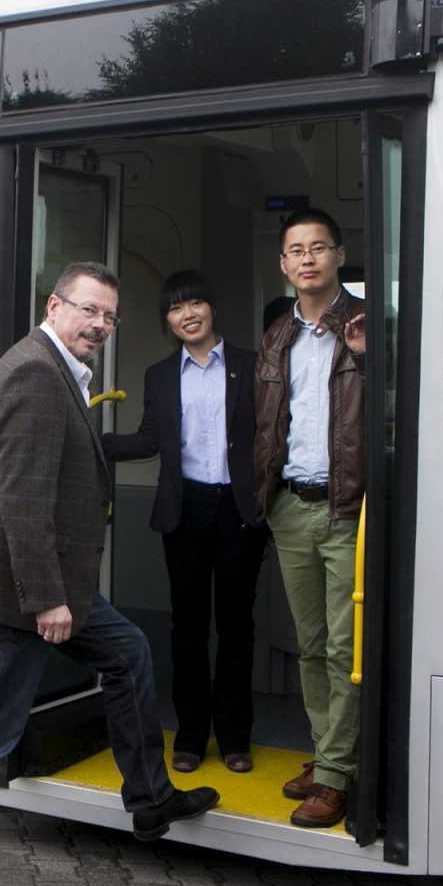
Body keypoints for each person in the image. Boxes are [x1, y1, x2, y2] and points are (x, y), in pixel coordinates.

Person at [0, 262, 218, 886]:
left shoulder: (57, 367)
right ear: (55, 305)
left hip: (57, 582)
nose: (99, 324)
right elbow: (22, 502)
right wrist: (46, 600)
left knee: (128, 653)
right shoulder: (35, 373)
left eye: (110, 315)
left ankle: (148, 798)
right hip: (23, 592)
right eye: (88, 309)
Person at [104, 270, 266, 776]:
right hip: (185, 510)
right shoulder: (159, 375)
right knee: (188, 627)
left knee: (236, 626)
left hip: (240, 511)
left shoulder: (251, 365)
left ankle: (236, 736)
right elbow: (150, 439)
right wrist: (92, 440)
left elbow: (270, 435)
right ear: (168, 320)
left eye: (195, 303)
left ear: (212, 308)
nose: (187, 314)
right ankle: (192, 736)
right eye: (176, 309)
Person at [253, 208, 367, 831]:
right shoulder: (277, 335)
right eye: (295, 250)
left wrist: (372, 361)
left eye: (318, 247)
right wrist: (265, 498)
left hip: (347, 507)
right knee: (312, 647)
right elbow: (269, 422)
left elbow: (409, 405)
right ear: (283, 263)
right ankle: (330, 760)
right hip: (291, 507)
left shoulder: (369, 325)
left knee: (346, 648)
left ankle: (333, 774)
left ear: (338, 255)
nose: (307, 259)